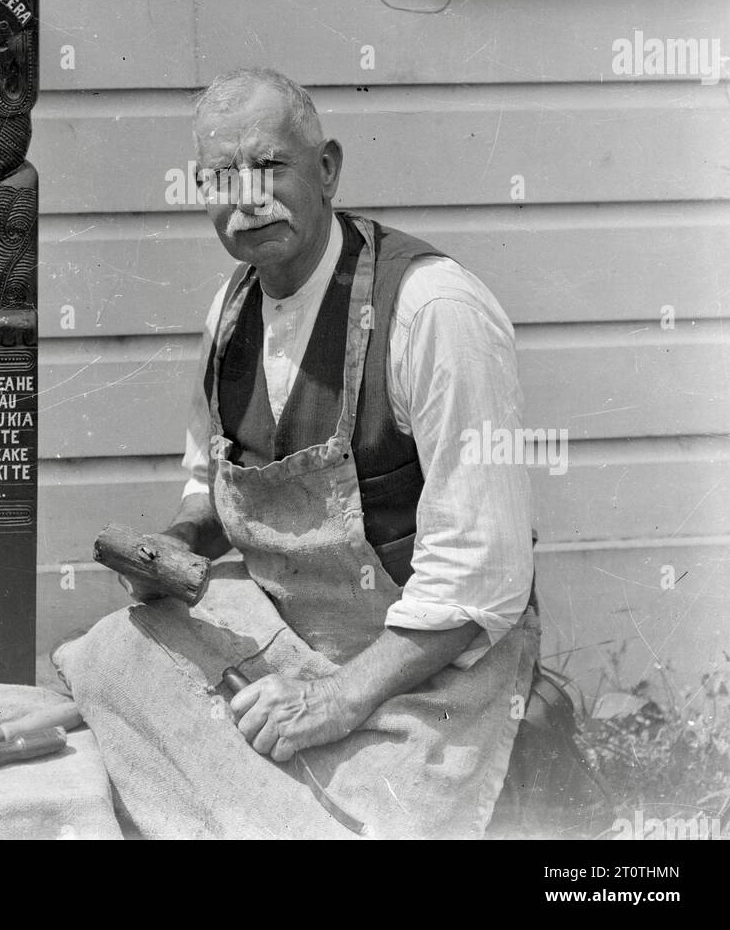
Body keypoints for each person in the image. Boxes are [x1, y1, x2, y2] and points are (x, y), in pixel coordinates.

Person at [56, 68, 539, 839]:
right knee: (113, 656)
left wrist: (340, 700)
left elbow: (484, 573)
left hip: (422, 670)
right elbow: (212, 485)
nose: (246, 198)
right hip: (293, 641)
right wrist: (177, 545)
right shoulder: (231, 308)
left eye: (270, 167)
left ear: (328, 169)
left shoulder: (431, 309)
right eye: (220, 177)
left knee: (373, 812)